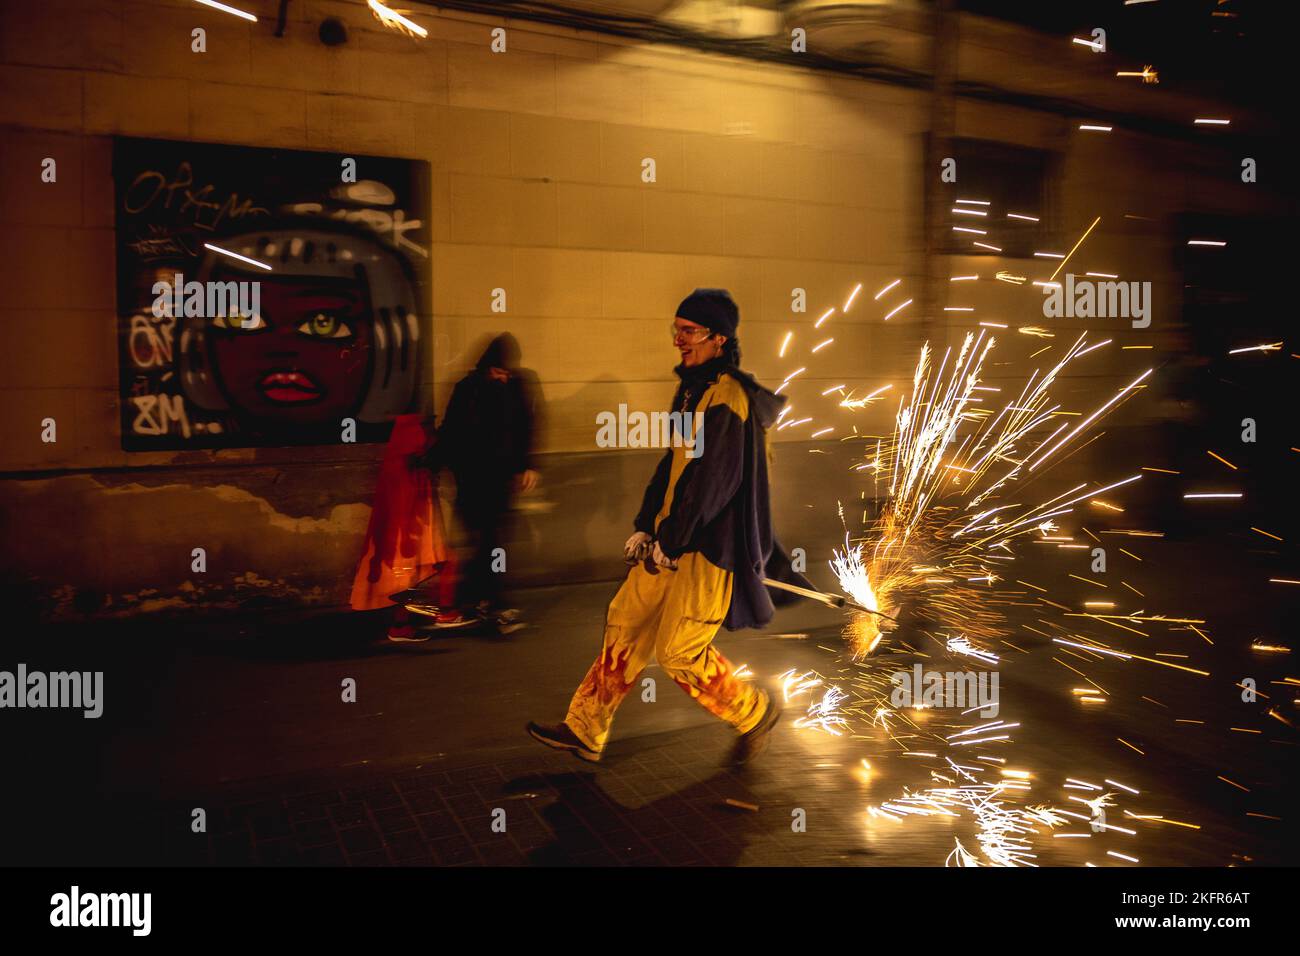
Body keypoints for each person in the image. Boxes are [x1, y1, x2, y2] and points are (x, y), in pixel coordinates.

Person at [527, 288, 810, 765]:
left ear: (719, 339)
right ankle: (584, 729)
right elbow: (673, 464)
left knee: (678, 651)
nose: (678, 340)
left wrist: (675, 540)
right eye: (675, 330)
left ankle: (754, 712)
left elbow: (714, 482)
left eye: (689, 331)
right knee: (625, 625)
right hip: (669, 539)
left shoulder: (729, 399)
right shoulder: (691, 390)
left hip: (708, 549)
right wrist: (646, 526)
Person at [432, 333, 541, 631]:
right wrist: (434, 462)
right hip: (471, 478)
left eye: (506, 373)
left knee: (492, 543)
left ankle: (486, 602)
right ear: (486, 369)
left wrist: (527, 464)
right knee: (485, 543)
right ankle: (488, 603)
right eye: (497, 373)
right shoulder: (468, 389)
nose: (503, 378)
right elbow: (451, 430)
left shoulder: (517, 386)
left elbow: (526, 426)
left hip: (500, 480)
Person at [349, 413, 456, 642]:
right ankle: (443, 613)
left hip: (407, 535)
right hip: (410, 534)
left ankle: (402, 625)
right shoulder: (410, 466)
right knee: (424, 570)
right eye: (427, 431)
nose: (431, 436)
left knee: (406, 577)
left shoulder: (401, 460)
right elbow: (406, 506)